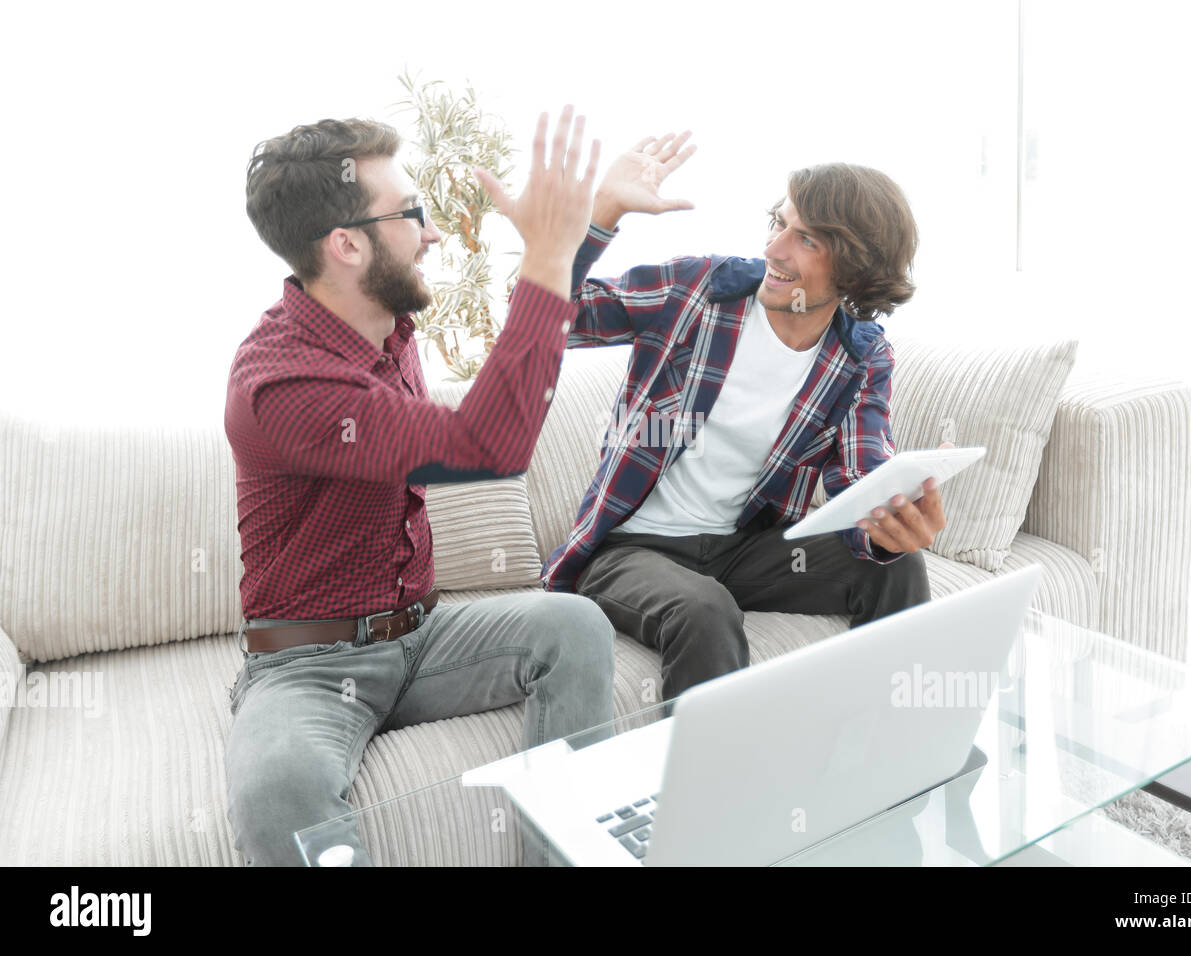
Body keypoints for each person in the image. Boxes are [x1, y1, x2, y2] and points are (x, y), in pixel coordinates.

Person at [226, 108, 614, 866]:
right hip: (308, 665)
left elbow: (486, 414)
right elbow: (488, 444)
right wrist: (550, 254)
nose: (433, 232)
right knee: (278, 787)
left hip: (422, 636)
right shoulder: (281, 384)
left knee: (574, 627)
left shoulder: (389, 329)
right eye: (414, 214)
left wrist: (585, 233)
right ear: (347, 245)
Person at [538, 133, 946, 701]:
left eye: (804, 238)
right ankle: (704, 789)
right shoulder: (699, 291)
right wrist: (604, 213)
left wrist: (888, 529)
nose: (775, 249)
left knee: (897, 567)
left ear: (853, 268)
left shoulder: (860, 354)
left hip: (743, 550)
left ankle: (900, 753)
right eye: (778, 224)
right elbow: (549, 318)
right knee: (705, 609)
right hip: (633, 550)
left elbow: (860, 477)